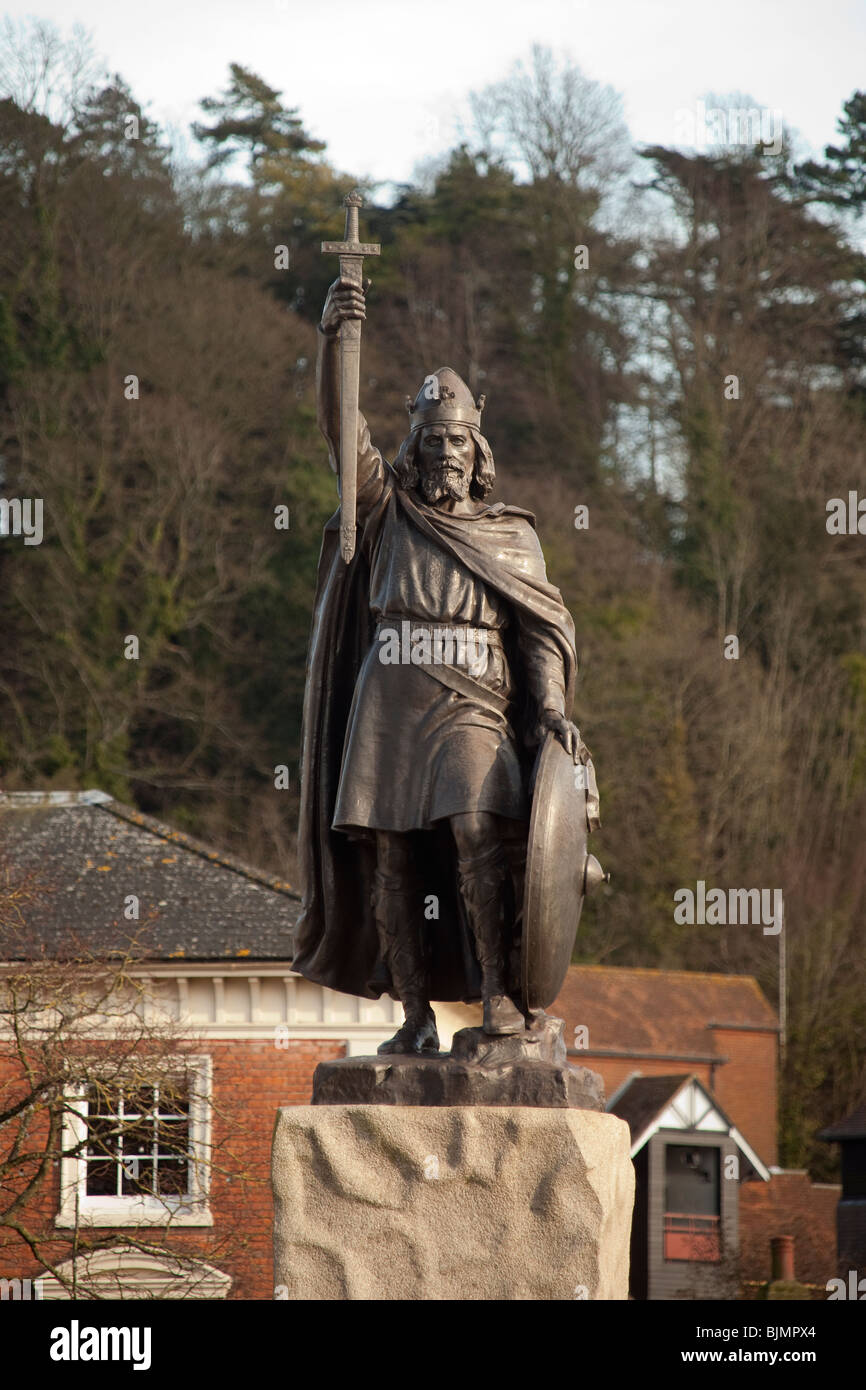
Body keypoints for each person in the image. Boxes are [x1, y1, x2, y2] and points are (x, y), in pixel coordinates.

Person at [293, 276, 582, 1053]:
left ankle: (497, 996)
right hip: (389, 695)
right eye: (432, 442)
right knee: (389, 852)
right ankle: (414, 1014)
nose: (444, 453)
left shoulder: (511, 536)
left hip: (473, 700)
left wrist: (550, 706)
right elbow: (340, 429)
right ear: (415, 450)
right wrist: (335, 342)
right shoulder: (388, 508)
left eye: (457, 441)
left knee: (476, 827)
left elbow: (540, 633)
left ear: (477, 451)